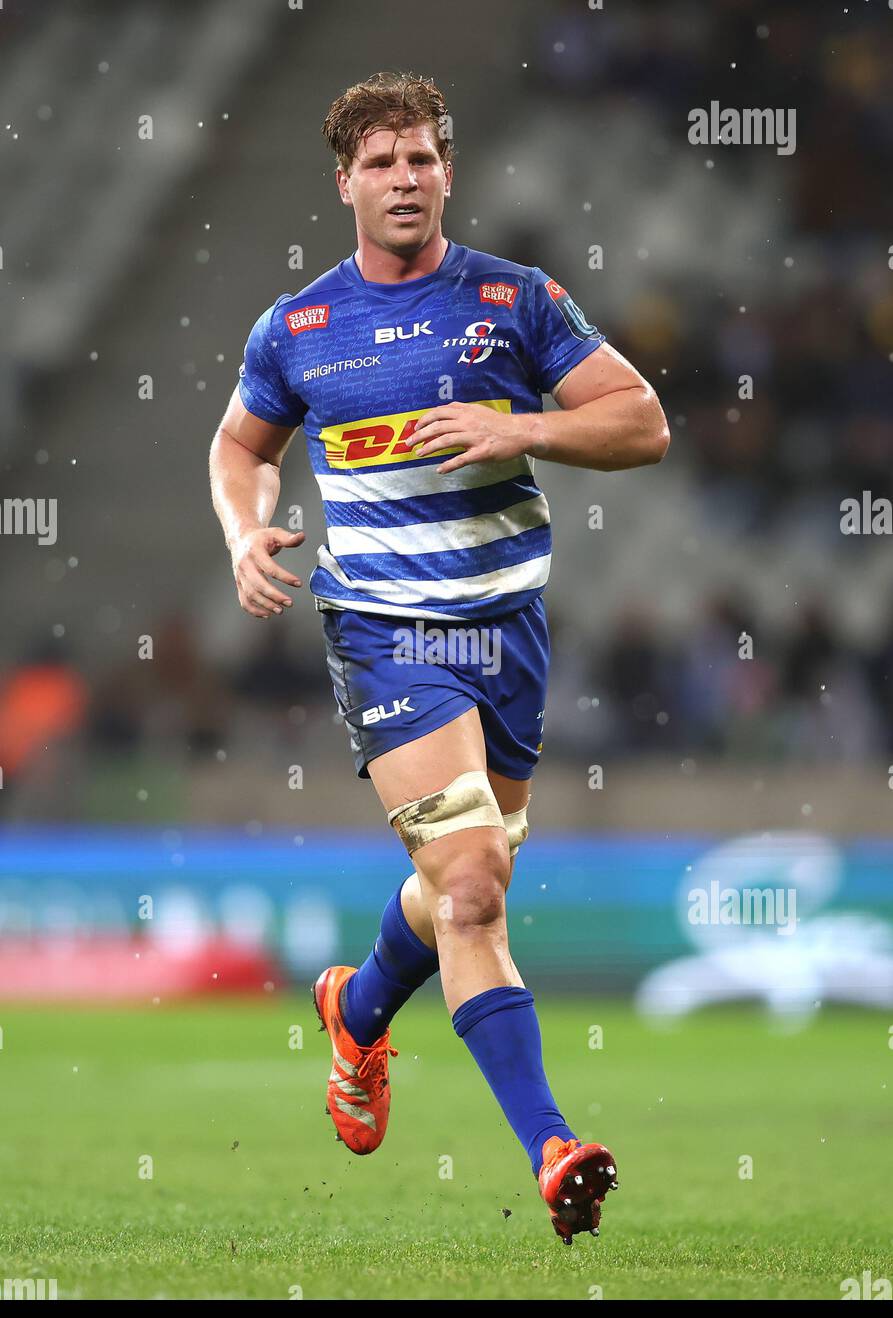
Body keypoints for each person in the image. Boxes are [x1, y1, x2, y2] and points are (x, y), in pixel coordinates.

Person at [209, 72, 669, 1242]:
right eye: (380, 163)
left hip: (506, 631)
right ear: (345, 184)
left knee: (459, 881)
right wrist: (244, 526)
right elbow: (239, 444)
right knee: (471, 888)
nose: (403, 179)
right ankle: (552, 1146)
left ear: (447, 170)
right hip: (384, 632)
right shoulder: (300, 326)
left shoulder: (515, 300)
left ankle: (356, 1008)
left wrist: (519, 425)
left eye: (421, 159)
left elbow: (641, 423)